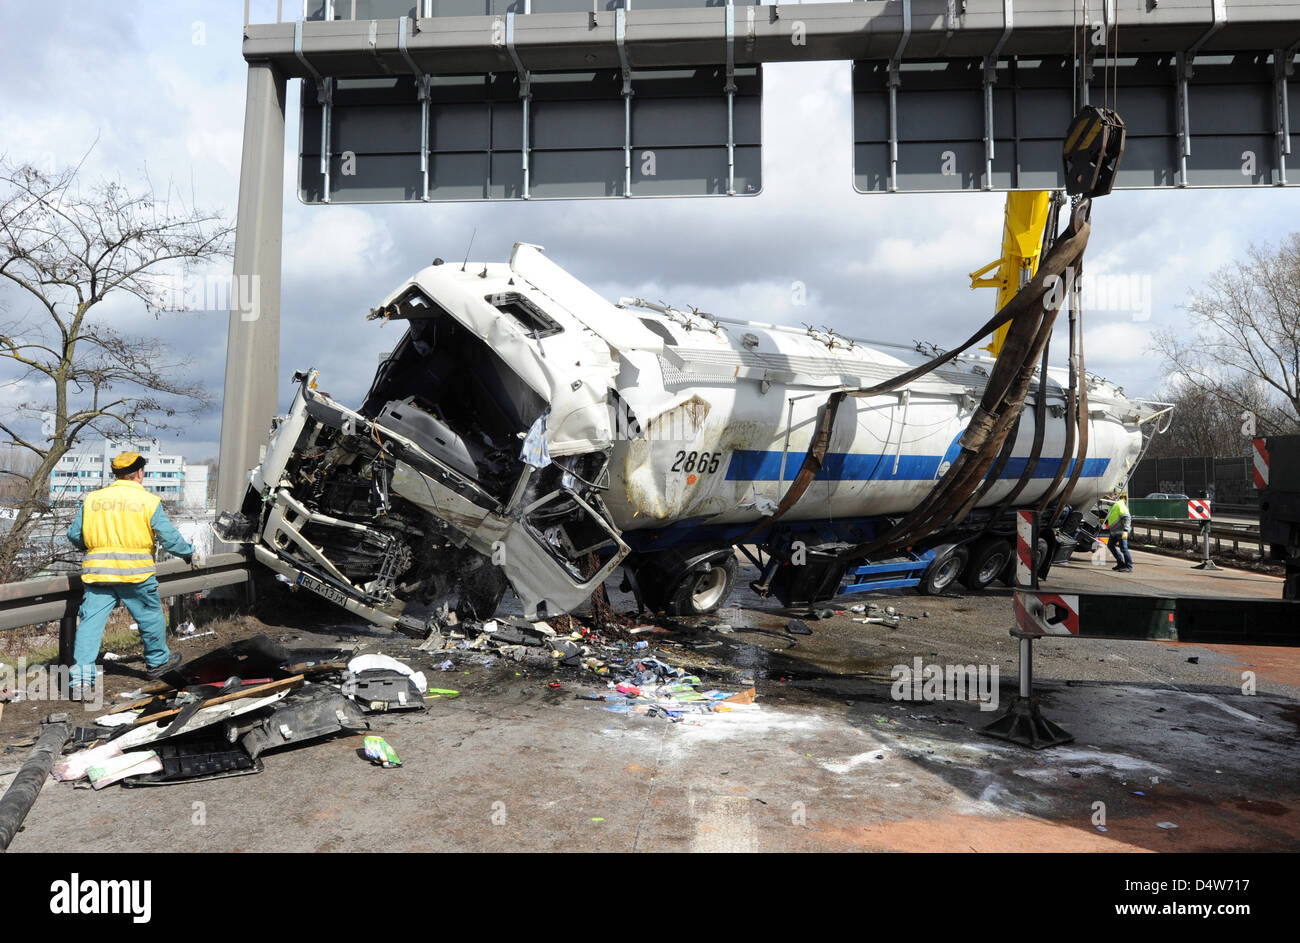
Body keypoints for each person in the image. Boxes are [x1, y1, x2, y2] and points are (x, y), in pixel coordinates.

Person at [65, 451, 199, 700]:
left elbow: (75, 535)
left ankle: (81, 681)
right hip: (136, 575)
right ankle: (158, 664)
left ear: (115, 474)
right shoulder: (148, 501)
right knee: (150, 618)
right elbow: (169, 537)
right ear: (139, 473)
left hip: (98, 574)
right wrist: (188, 553)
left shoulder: (93, 499)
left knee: (90, 625)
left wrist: (95, 544)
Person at [1104, 490, 1133, 573]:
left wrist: (1126, 530)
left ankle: (1129, 566)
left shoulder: (1119, 505)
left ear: (1114, 497)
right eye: (1106, 497)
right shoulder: (1111, 505)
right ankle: (1120, 563)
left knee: (1124, 549)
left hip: (1121, 531)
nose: (1107, 499)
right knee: (1110, 545)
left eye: (1108, 497)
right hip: (1114, 532)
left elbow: (1127, 518)